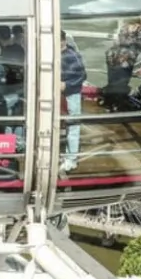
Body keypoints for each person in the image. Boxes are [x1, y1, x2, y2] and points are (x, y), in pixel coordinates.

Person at [60, 30, 87, 174]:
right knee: (67, 124)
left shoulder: (72, 56)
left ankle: (72, 159)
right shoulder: (64, 54)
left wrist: (66, 84)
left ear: (63, 40)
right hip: (63, 96)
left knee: (73, 126)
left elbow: (83, 75)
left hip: (72, 95)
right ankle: (68, 154)